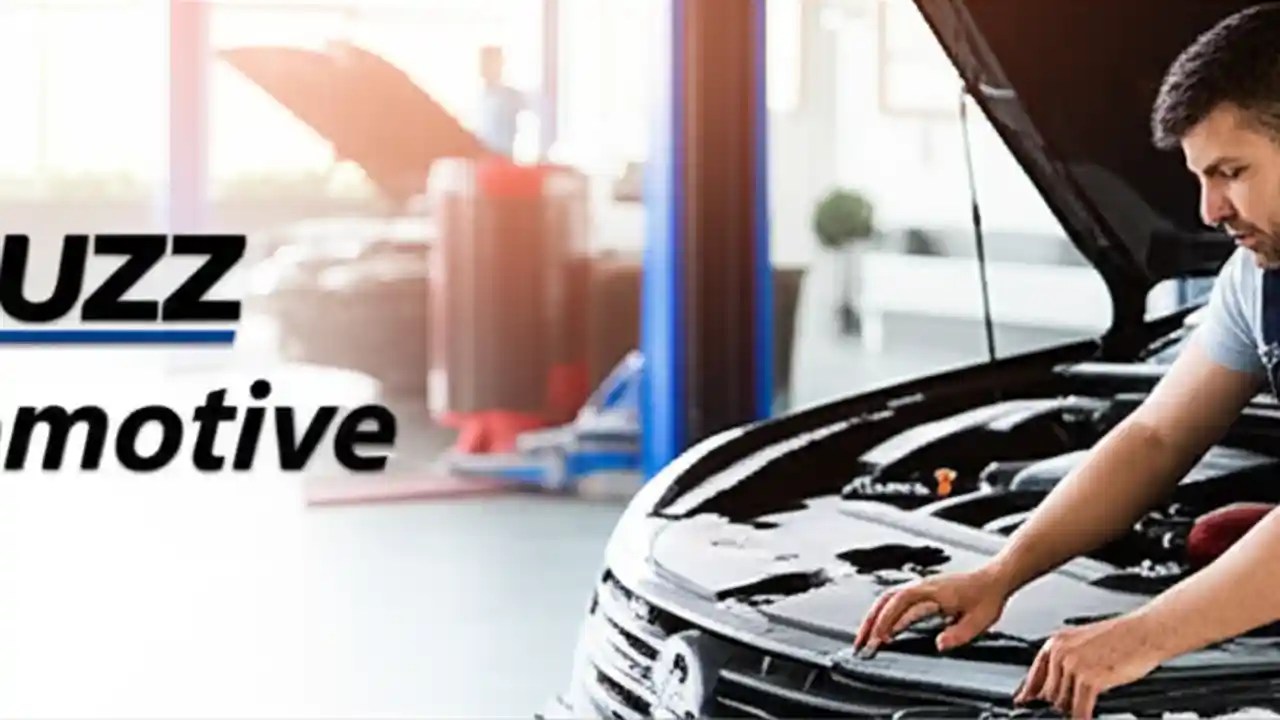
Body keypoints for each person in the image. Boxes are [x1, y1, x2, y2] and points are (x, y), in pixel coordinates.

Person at [854, 4, 1280, 718]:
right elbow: (1157, 437)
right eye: (1201, 177)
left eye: (1231, 172)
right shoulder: (1258, 280)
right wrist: (1002, 571)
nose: (1208, 210)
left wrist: (1145, 635)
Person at [474, 45, 530, 159]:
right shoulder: (477, 98)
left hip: (504, 160)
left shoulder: (512, 96)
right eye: (484, 63)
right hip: (484, 161)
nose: (487, 67)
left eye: (492, 63)